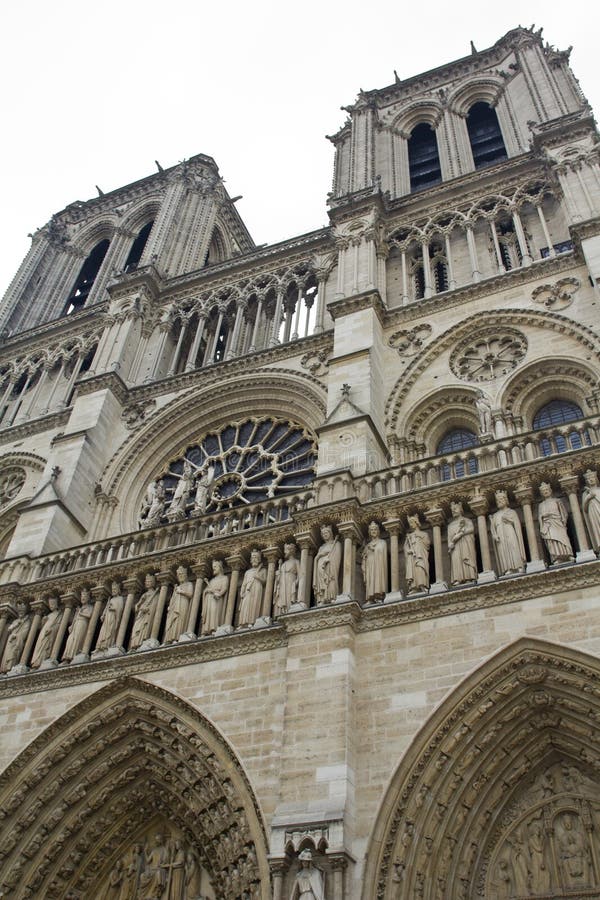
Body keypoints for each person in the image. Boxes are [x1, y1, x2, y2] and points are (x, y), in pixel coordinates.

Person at [489, 490, 526, 575]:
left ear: (506, 500)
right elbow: (493, 528)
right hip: (500, 535)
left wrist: (509, 520)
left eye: (501, 499)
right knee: (503, 551)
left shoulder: (511, 512)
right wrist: (494, 535)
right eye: (497, 500)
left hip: (510, 532)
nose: (499, 502)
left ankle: (518, 566)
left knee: (513, 547)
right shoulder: (495, 515)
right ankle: (507, 568)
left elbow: (517, 525)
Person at [538, 482, 574, 564]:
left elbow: (563, 513)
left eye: (547, 489)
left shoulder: (557, 501)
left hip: (558, 523)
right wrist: (542, 527)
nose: (545, 491)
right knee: (552, 540)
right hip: (548, 525)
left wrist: (563, 522)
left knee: (563, 538)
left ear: (550, 491)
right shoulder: (541, 505)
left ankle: (568, 554)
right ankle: (556, 557)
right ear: (541, 493)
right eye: (543, 491)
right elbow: (540, 517)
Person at [447, 502, 477, 585]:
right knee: (456, 559)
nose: (453, 511)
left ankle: (469, 577)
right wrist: (450, 544)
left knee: (466, 557)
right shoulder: (450, 525)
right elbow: (449, 539)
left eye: (455, 509)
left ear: (460, 509)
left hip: (465, 544)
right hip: (456, 547)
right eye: (452, 510)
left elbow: (471, 529)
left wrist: (461, 533)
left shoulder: (467, 521)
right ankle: (458, 579)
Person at [164, 565, 194, 642]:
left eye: (181, 574)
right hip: (174, 606)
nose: (180, 576)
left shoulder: (189, 584)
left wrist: (181, 592)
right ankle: (169, 639)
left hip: (183, 604)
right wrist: (170, 606)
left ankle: (177, 637)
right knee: (172, 621)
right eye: (178, 575)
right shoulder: (177, 587)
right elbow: (173, 598)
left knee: (179, 619)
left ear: (185, 575)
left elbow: (190, 594)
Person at [313, 525, 341, 604]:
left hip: (330, 566)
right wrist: (320, 556)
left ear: (330, 533)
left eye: (326, 533)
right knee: (322, 583)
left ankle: (332, 597)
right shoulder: (321, 547)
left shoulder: (336, 544)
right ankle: (321, 599)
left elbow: (337, 557)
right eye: (323, 534)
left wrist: (330, 561)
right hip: (321, 568)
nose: (325, 535)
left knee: (331, 580)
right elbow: (317, 558)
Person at [30, 595, 62, 668]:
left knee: (45, 646)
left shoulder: (59, 614)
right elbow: (41, 627)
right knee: (39, 645)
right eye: (50, 605)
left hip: (50, 633)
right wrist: (43, 621)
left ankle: (43, 661)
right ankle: (36, 662)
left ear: (57, 605)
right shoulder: (49, 615)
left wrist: (52, 629)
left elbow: (59, 625)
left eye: (53, 604)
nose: (51, 606)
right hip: (43, 633)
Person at [130, 573, 160, 649]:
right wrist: (138, 607)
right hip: (141, 614)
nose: (146, 583)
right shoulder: (145, 594)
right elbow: (138, 604)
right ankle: (135, 645)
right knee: (137, 627)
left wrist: (147, 609)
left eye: (149, 581)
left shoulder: (155, 594)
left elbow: (154, 607)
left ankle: (143, 641)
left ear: (153, 583)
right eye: (146, 581)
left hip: (147, 615)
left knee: (144, 627)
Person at [63, 588, 94, 661]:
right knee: (70, 640)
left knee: (77, 638)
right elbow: (75, 618)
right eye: (82, 597)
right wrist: (72, 625)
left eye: (85, 597)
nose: (83, 598)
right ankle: (67, 656)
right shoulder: (79, 608)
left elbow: (89, 615)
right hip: (76, 624)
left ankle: (74, 655)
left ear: (88, 598)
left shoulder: (90, 607)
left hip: (82, 623)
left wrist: (80, 612)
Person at [238, 549, 266, 626]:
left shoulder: (262, 570)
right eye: (252, 558)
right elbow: (243, 584)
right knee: (245, 605)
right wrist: (241, 592)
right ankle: (243, 623)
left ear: (259, 559)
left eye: (256, 558)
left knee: (254, 604)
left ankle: (252, 621)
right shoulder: (248, 572)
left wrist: (257, 577)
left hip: (257, 588)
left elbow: (264, 581)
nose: (254, 559)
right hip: (248, 589)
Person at [1, 601, 31, 673]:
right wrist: (17, 624)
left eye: (22, 611)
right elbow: (9, 629)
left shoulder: (27, 621)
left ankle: (10, 668)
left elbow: (25, 632)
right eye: (19, 611)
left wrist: (17, 636)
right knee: (7, 653)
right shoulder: (15, 621)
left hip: (17, 640)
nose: (21, 613)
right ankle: (4, 669)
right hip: (11, 640)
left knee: (13, 654)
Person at [201, 559, 229, 634]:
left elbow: (224, 588)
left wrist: (219, 594)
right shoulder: (212, 580)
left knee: (214, 612)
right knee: (209, 612)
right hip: (209, 599)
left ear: (220, 567)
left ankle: (214, 628)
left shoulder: (224, 578)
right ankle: (206, 630)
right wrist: (206, 591)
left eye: (215, 567)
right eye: (213, 567)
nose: (213, 568)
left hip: (216, 599)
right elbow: (207, 589)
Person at [95, 581, 124, 652]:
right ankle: (100, 647)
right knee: (103, 631)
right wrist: (103, 615)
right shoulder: (111, 599)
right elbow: (106, 607)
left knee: (110, 631)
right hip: (107, 618)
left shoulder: (120, 599)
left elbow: (120, 609)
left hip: (113, 618)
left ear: (118, 590)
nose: (113, 591)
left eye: (115, 589)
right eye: (112, 590)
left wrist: (114, 609)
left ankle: (107, 646)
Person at [361, 521, 388, 601]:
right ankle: (370, 598)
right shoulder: (367, 545)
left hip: (378, 566)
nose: (373, 531)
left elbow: (383, 554)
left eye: (375, 529)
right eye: (372, 530)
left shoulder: (382, 542)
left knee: (377, 578)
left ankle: (379, 595)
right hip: (370, 566)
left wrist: (374, 550)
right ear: (369, 532)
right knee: (370, 580)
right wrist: (364, 557)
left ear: (378, 531)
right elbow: (363, 558)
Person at [404, 515, 430, 593]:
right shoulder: (409, 536)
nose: (411, 525)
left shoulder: (423, 534)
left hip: (420, 555)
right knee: (413, 570)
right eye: (410, 523)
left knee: (420, 568)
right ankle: (414, 587)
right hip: (412, 557)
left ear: (416, 522)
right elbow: (406, 547)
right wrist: (409, 551)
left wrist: (419, 537)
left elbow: (427, 544)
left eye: (412, 522)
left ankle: (422, 585)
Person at [274, 542, 300, 615]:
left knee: (289, 596)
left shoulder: (296, 561)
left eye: (286, 550)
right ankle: (282, 611)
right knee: (282, 597)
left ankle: (289, 609)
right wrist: (278, 575)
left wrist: (296, 583)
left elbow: (300, 575)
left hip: (291, 581)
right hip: (283, 583)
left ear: (291, 551)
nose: (285, 552)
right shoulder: (283, 564)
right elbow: (278, 578)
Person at [582, 469, 600, 552]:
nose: (591, 480)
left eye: (592, 477)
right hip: (593, 512)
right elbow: (584, 508)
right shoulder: (586, 494)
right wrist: (589, 497)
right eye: (589, 479)